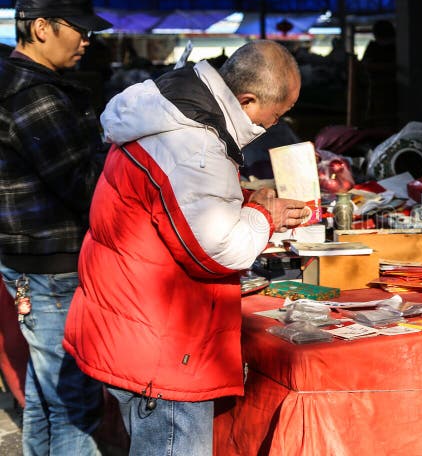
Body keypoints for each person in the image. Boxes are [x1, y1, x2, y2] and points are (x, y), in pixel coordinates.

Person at [62, 41, 308, 455]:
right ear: (247, 100)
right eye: (277, 114)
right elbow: (219, 251)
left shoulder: (173, 113)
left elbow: (177, 210)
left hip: (136, 325)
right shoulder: (192, 144)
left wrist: (245, 204)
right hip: (163, 346)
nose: (275, 123)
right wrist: (266, 218)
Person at [0, 0, 111, 456]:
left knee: (47, 399)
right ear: (41, 27)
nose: (87, 39)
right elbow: (85, 187)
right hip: (52, 270)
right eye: (79, 28)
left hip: (32, 264)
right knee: (75, 403)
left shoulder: (20, 84)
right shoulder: (36, 96)